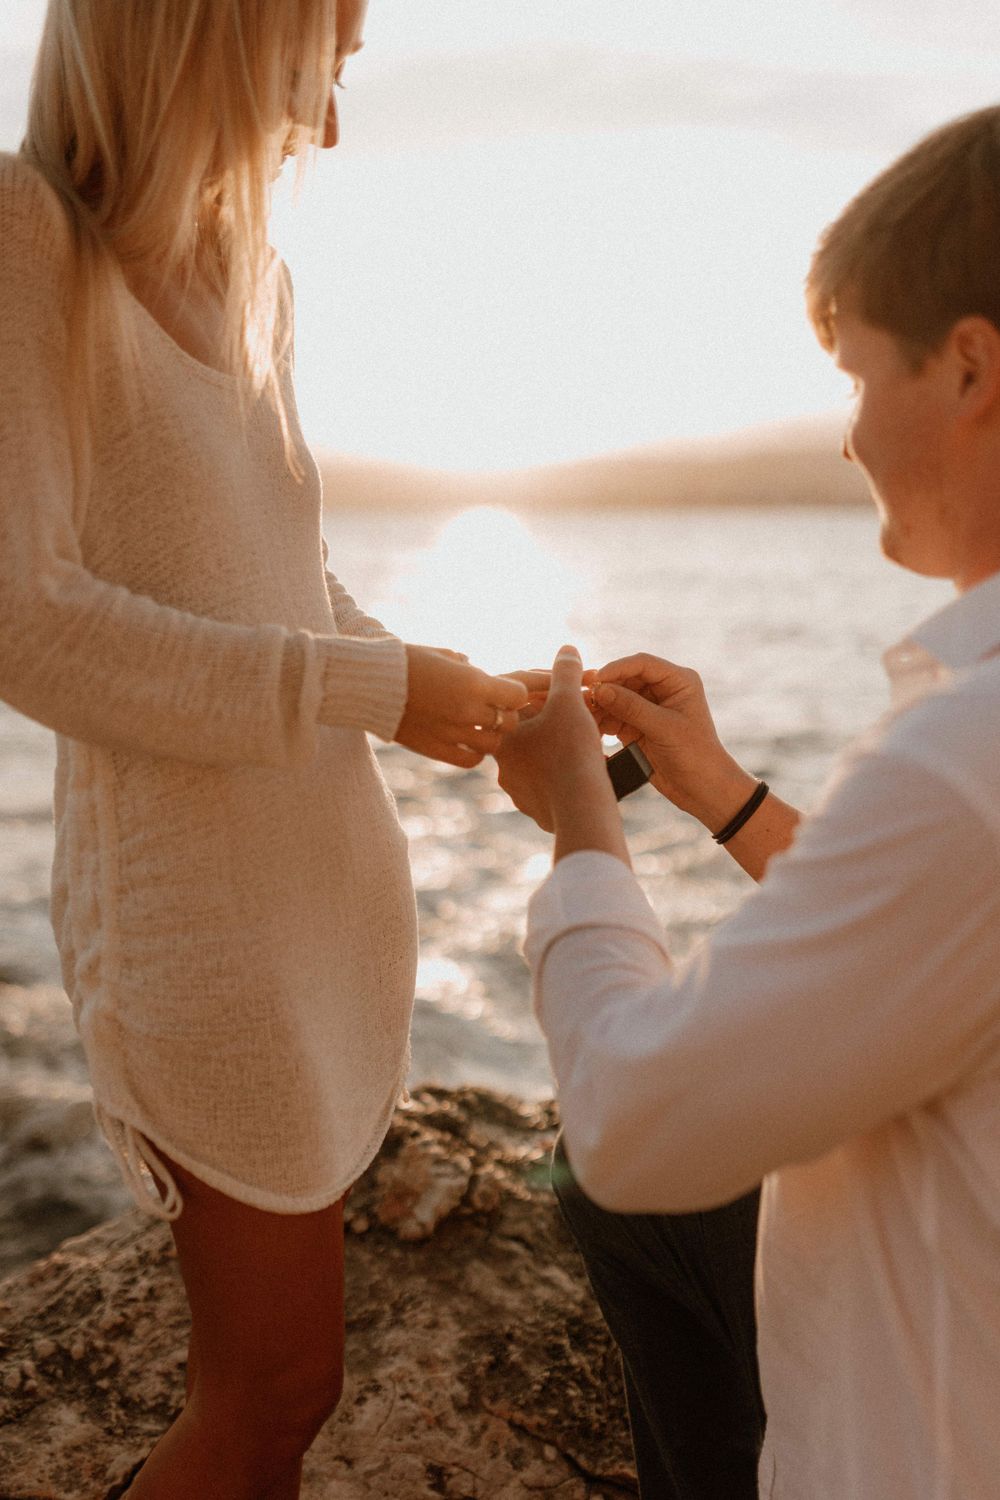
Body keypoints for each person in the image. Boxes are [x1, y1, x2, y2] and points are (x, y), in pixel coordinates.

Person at [0, 3, 540, 1495]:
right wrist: (374, 687)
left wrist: (454, 691)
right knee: (274, 1389)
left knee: (293, 1390)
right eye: (322, 68)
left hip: (319, 885)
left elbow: (287, 584)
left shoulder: (258, 277)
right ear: (213, 36)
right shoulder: (25, 233)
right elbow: (26, 625)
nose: (332, 124)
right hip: (193, 919)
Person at [496, 105, 1000, 1500]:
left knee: (610, 1196)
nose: (845, 440)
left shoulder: (969, 758)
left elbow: (634, 1122)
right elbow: (941, 928)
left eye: (854, 377)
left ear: (968, 367)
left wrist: (581, 835)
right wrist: (721, 797)